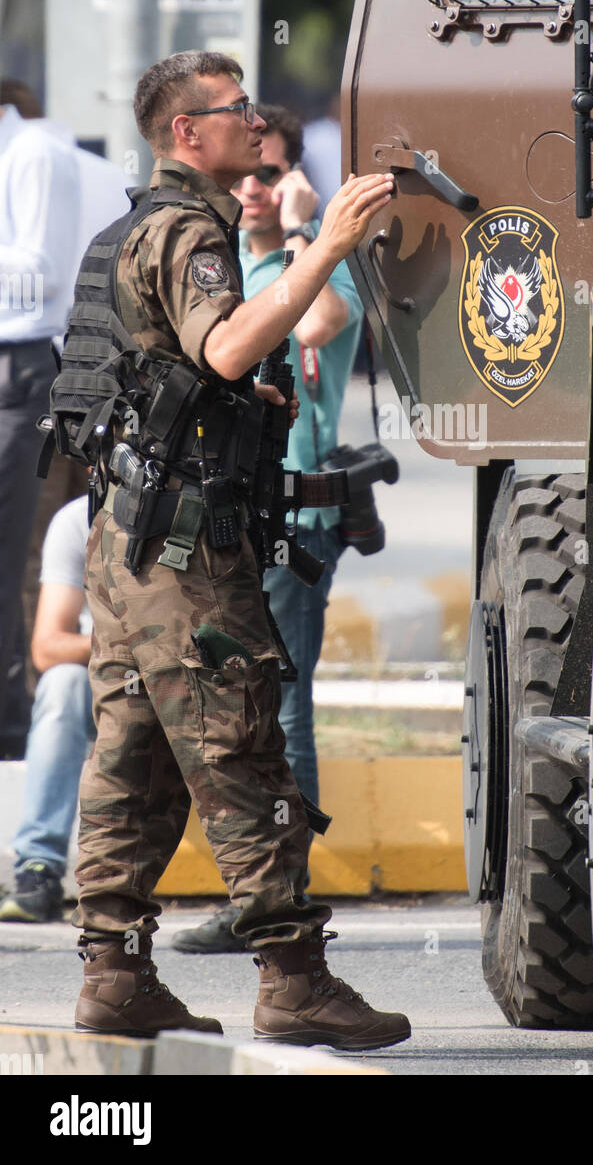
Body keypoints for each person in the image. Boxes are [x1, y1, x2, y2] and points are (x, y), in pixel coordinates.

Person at [69, 49, 408, 1049]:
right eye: (236, 111)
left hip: (128, 543)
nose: (257, 126)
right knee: (242, 747)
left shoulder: (128, 225)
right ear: (188, 132)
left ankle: (114, 973)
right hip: (184, 550)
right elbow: (222, 346)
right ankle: (293, 976)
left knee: (130, 754)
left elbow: (163, 374)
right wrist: (325, 244)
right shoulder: (186, 229)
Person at [173, 103, 362, 954]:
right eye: (248, 175)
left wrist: (303, 232)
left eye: (272, 174)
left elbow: (317, 323)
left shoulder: (315, 260)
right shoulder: (216, 261)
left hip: (296, 515)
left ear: (294, 179)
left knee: (281, 706)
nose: (253, 189)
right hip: (228, 515)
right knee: (236, 703)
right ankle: (264, 892)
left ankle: (283, 895)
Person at [0, 96, 80, 758]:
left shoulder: (32, 153)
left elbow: (39, 276)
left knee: (13, 558)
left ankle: (10, 725)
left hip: (19, 368)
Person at [0, 496, 94, 923]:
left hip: (186, 674)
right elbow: (47, 646)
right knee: (61, 683)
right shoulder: (80, 518)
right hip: (113, 672)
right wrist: (131, 648)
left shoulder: (200, 502)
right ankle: (38, 867)